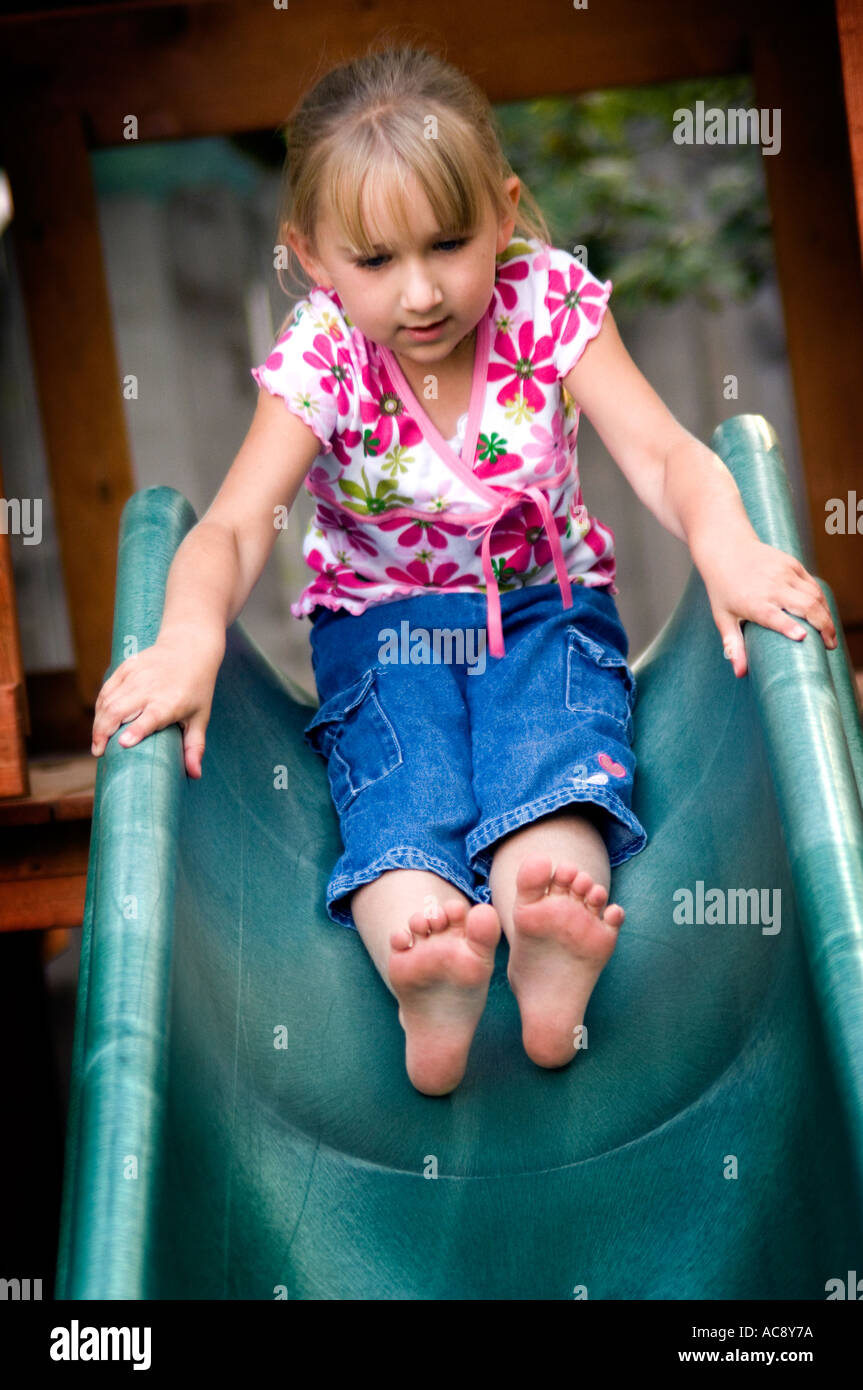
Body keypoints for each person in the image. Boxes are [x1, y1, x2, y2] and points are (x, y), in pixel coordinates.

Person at [91, 44, 837, 1097]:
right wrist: (186, 638)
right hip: (380, 629)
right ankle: (427, 972)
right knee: (403, 791)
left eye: (449, 242)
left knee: (556, 751)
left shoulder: (545, 305)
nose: (423, 289)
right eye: (376, 261)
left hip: (542, 608)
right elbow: (228, 528)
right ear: (311, 255)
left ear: (503, 211)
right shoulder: (323, 358)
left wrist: (726, 546)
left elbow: (665, 454)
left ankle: (546, 930)